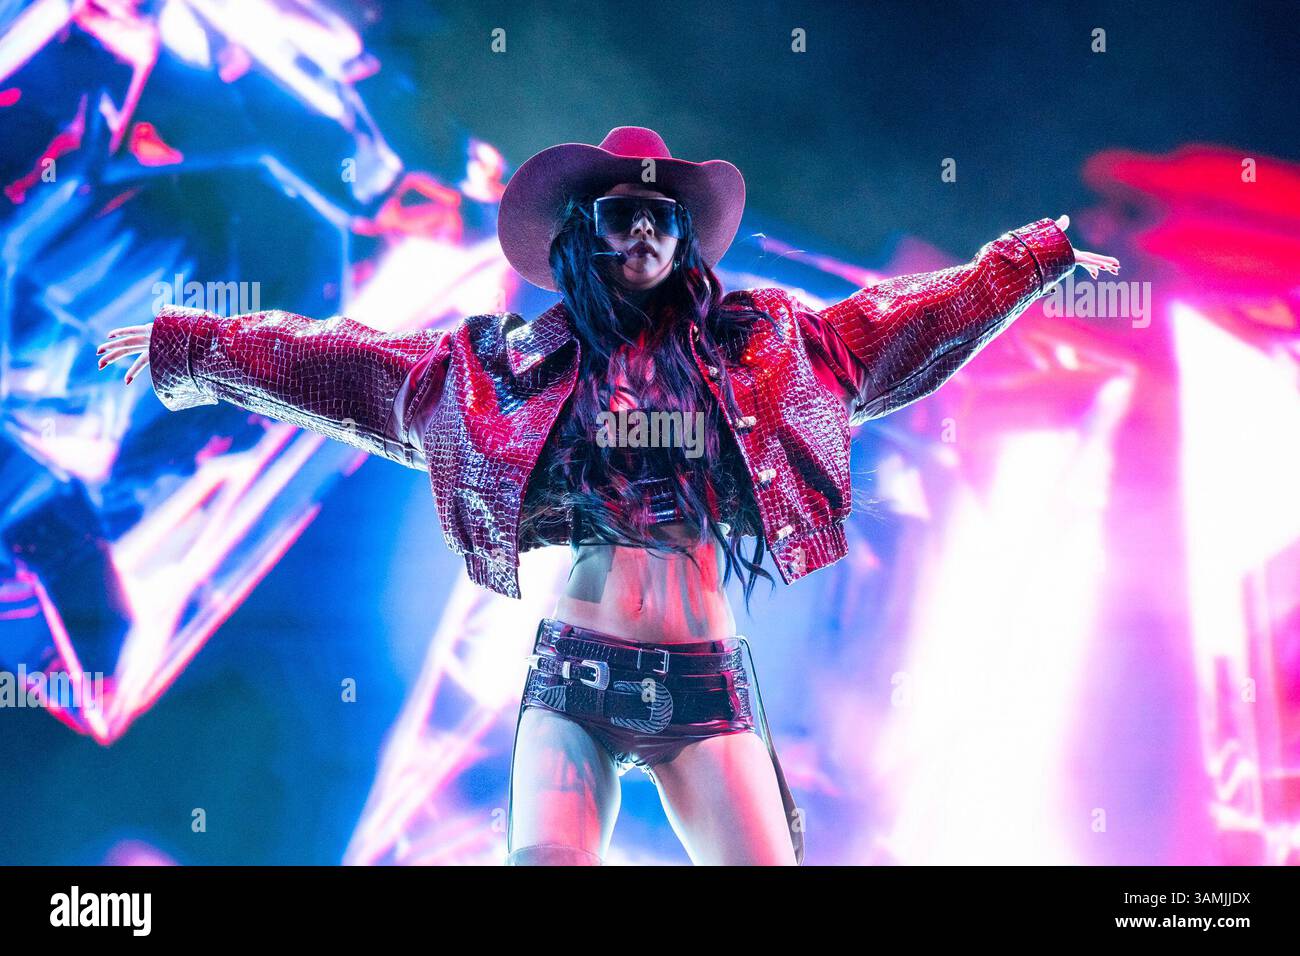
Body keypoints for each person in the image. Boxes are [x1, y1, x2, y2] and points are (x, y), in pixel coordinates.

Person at [96, 126, 1120, 865]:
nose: (646, 235)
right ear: (585, 230)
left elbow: (889, 328)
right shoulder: (504, 366)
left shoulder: (764, 350)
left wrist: (1030, 258)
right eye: (624, 215)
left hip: (704, 688)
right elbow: (359, 366)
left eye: (663, 218)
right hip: (574, 677)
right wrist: (199, 343)